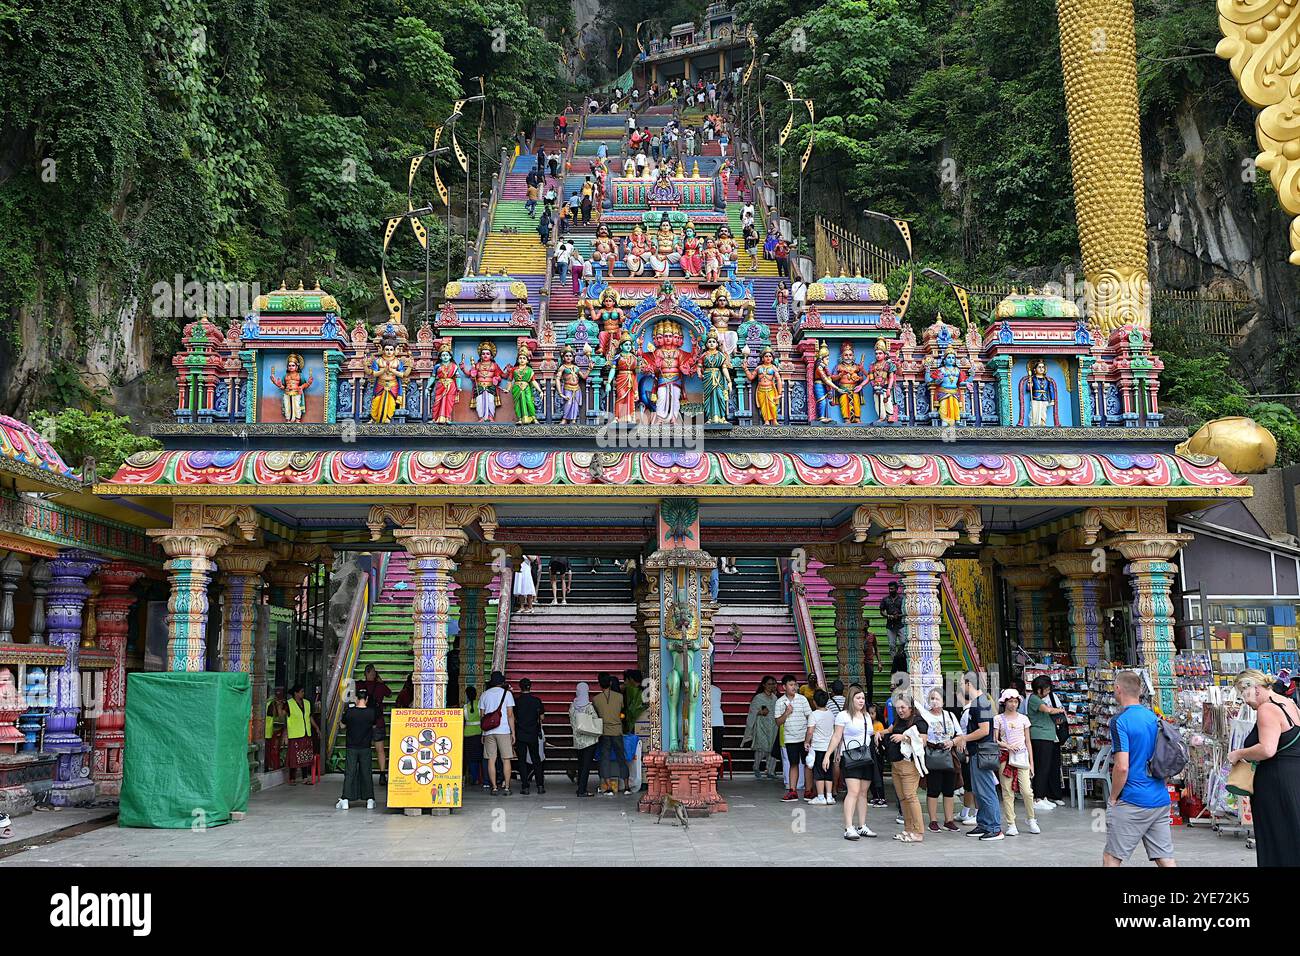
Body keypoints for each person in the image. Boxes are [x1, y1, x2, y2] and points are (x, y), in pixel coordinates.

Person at [1228, 668, 1300, 866]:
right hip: (1293, 777)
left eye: (1244, 694)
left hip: (1275, 782)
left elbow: (1267, 749)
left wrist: (1239, 754)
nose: (1245, 701)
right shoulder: (1289, 703)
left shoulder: (1266, 709)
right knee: (1292, 831)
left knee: (1278, 836)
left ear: (1256, 688)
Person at [1103, 670, 1175, 866]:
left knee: (1112, 856)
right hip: (1159, 799)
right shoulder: (1153, 718)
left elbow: (1122, 767)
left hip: (1133, 800)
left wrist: (1113, 797)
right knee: (1165, 858)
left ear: (1118, 689)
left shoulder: (1120, 721)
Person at [952, 672, 1004, 840]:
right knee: (979, 791)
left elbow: (984, 730)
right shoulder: (980, 703)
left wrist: (963, 738)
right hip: (977, 753)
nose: (960, 687)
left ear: (969, 684)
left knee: (986, 791)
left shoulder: (980, 704)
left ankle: (995, 828)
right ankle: (984, 824)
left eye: (961, 683)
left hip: (982, 753)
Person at [822, 685, 876, 840]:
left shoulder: (866, 716)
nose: (861, 701)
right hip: (850, 757)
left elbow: (869, 735)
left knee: (863, 793)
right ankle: (848, 827)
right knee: (853, 791)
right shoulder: (843, 716)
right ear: (851, 699)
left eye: (863, 698)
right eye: (858, 698)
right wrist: (828, 755)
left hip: (866, 757)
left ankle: (862, 825)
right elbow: (836, 736)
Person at [879, 692, 927, 843]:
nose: (900, 710)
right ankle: (908, 829)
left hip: (909, 765)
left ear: (911, 707)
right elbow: (891, 729)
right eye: (898, 708)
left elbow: (923, 741)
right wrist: (880, 733)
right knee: (902, 798)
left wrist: (904, 738)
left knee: (911, 797)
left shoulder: (918, 721)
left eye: (903, 707)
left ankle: (918, 832)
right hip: (896, 765)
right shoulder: (899, 720)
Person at [994, 687, 1040, 835]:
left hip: (1022, 757)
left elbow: (1028, 741)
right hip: (1005, 758)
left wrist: (1031, 763)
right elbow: (995, 740)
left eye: (1015, 701)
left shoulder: (1024, 719)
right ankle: (1011, 823)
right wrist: (1007, 746)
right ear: (1005, 702)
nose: (1013, 704)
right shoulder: (998, 719)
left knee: (1027, 791)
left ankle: (1031, 818)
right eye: (1010, 701)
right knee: (1007, 792)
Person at [922, 688, 960, 832]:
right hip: (933, 755)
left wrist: (953, 742)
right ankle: (933, 820)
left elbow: (960, 734)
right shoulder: (925, 716)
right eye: (932, 698)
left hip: (948, 755)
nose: (934, 701)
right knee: (933, 789)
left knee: (949, 789)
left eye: (937, 698)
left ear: (943, 701)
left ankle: (949, 820)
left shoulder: (950, 715)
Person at [1027, 675, 1066, 809]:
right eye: (1047, 689)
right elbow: (1047, 710)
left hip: (1047, 737)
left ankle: (1043, 796)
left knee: (1046, 767)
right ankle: (1038, 798)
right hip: (1040, 737)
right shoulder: (1034, 699)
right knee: (1041, 768)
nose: (1048, 692)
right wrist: (1060, 710)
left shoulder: (1038, 699)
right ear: (1039, 690)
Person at [336, 686, 376, 810]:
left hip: (352, 747)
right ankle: (369, 800)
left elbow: (342, 726)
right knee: (366, 772)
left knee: (350, 773)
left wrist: (340, 722)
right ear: (367, 699)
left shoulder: (350, 712)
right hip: (365, 747)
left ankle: (345, 799)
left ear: (356, 698)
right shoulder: (371, 713)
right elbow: (373, 726)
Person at [775, 674, 813, 802]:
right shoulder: (780, 702)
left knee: (808, 764)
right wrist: (786, 713)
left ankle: (808, 791)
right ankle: (792, 791)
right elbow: (778, 722)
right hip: (790, 738)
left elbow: (810, 717)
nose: (794, 687)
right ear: (784, 687)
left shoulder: (802, 699)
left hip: (804, 738)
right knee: (793, 764)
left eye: (795, 685)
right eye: (791, 685)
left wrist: (809, 735)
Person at [480, 671, 516, 796]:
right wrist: (513, 733)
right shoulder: (508, 694)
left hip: (489, 731)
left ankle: (494, 787)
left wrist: (483, 733)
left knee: (491, 759)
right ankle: (506, 787)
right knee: (506, 759)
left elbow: (482, 717)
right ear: (502, 682)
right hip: (504, 730)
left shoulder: (484, 695)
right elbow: (510, 715)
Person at [592, 672, 628, 795]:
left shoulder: (596, 699)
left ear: (599, 684)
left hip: (604, 731)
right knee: (621, 757)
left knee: (605, 759)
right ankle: (627, 786)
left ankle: (608, 787)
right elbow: (621, 712)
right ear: (611, 683)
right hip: (617, 730)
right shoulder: (619, 697)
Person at [356, 664, 390, 784]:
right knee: (380, 750)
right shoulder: (380, 686)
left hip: (363, 722)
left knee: (362, 749)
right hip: (378, 721)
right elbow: (389, 693)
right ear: (373, 673)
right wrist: (381, 682)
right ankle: (382, 775)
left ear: (365, 673)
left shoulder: (359, 685)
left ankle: (362, 774)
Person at [741, 676, 780, 779]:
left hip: (773, 727)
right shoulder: (758, 698)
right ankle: (756, 767)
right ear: (764, 685)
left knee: (772, 749)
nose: (772, 686)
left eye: (773, 684)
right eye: (769, 684)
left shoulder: (775, 698)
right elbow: (752, 712)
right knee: (761, 748)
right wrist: (760, 712)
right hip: (761, 726)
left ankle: (770, 771)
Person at [513, 677, 545, 795]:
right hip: (533, 734)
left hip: (521, 734)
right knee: (536, 759)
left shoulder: (516, 702)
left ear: (520, 687)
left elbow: (514, 717)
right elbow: (541, 717)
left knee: (521, 761)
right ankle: (540, 785)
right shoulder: (536, 701)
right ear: (530, 687)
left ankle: (525, 786)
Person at [805, 689, 837, 805]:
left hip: (818, 747)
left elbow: (810, 732)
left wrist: (806, 742)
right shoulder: (831, 714)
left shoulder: (813, 715)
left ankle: (820, 797)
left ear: (814, 702)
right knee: (828, 772)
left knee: (818, 772)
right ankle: (829, 796)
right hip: (829, 748)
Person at [570, 682, 600, 797]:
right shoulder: (589, 706)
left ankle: (580, 787)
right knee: (586, 766)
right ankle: (582, 790)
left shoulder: (572, 706)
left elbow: (572, 722)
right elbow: (595, 720)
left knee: (581, 764)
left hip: (578, 740)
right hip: (589, 741)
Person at [285, 685, 319, 785]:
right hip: (295, 734)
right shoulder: (289, 704)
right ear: (296, 693)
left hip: (305, 733)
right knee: (294, 758)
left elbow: (309, 717)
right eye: (301, 691)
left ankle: (305, 778)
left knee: (305, 756)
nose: (303, 693)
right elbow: (284, 717)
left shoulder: (307, 703)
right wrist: (285, 734)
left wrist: (317, 728)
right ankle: (292, 778)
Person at [622, 669, 647, 791]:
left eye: (626, 680)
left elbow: (630, 710)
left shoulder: (631, 690)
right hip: (645, 727)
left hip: (633, 726)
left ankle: (634, 778)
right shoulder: (643, 691)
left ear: (631, 679)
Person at [865, 701, 888, 806]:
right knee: (871, 775)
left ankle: (881, 797)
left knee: (878, 775)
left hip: (877, 753)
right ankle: (875, 796)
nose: (870, 715)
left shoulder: (879, 724)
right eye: (869, 713)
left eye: (872, 713)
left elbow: (882, 736)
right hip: (870, 753)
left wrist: (875, 733)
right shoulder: (867, 724)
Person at [463, 685, 484, 787]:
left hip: (468, 734)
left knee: (470, 758)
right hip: (479, 733)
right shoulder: (479, 705)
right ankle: (482, 778)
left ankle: (474, 778)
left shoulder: (465, 707)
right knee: (480, 757)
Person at [878, 581, 904, 660]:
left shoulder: (902, 599)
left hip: (901, 625)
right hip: (890, 626)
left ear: (896, 589)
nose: (890, 590)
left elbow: (905, 612)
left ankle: (901, 658)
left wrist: (898, 615)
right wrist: (888, 616)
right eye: (889, 589)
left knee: (904, 642)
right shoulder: (885, 599)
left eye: (892, 589)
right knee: (892, 645)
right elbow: (881, 611)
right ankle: (895, 662)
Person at [264, 686, 287, 771]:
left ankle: (272, 766)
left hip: (270, 731)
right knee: (272, 751)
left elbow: (280, 717)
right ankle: (273, 766)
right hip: (271, 731)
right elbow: (280, 718)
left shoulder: (269, 703)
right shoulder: (271, 703)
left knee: (271, 751)